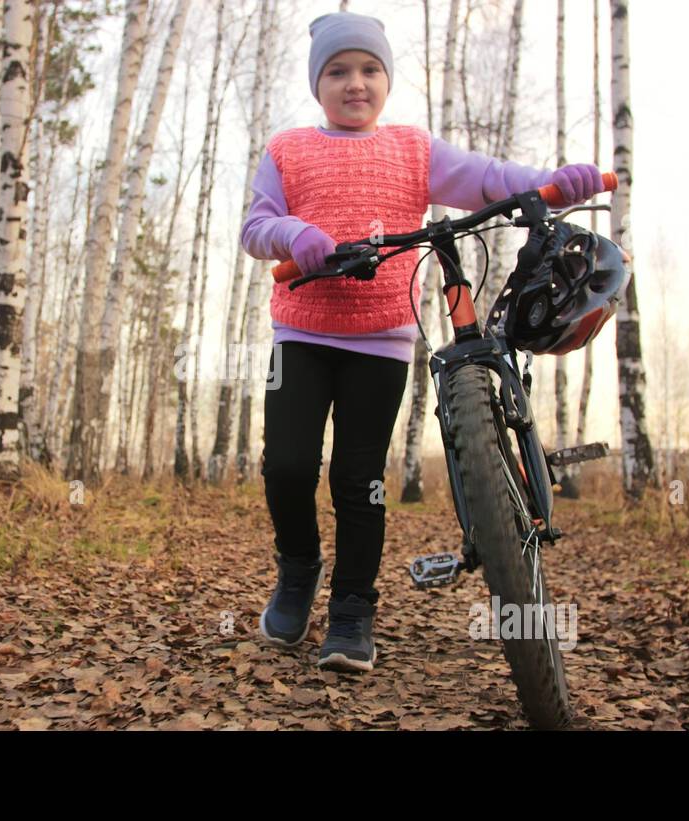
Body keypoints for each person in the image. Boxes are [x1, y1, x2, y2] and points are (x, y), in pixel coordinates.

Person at [239, 11, 605, 673]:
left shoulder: (413, 148)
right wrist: (294, 234)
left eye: (370, 69)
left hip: (379, 342)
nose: (356, 83)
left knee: (359, 479)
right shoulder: (287, 149)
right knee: (287, 466)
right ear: (317, 83)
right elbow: (255, 226)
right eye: (339, 71)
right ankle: (298, 568)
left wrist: (556, 179)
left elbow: (492, 179)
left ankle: (352, 608)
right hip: (302, 333)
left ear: (387, 79)